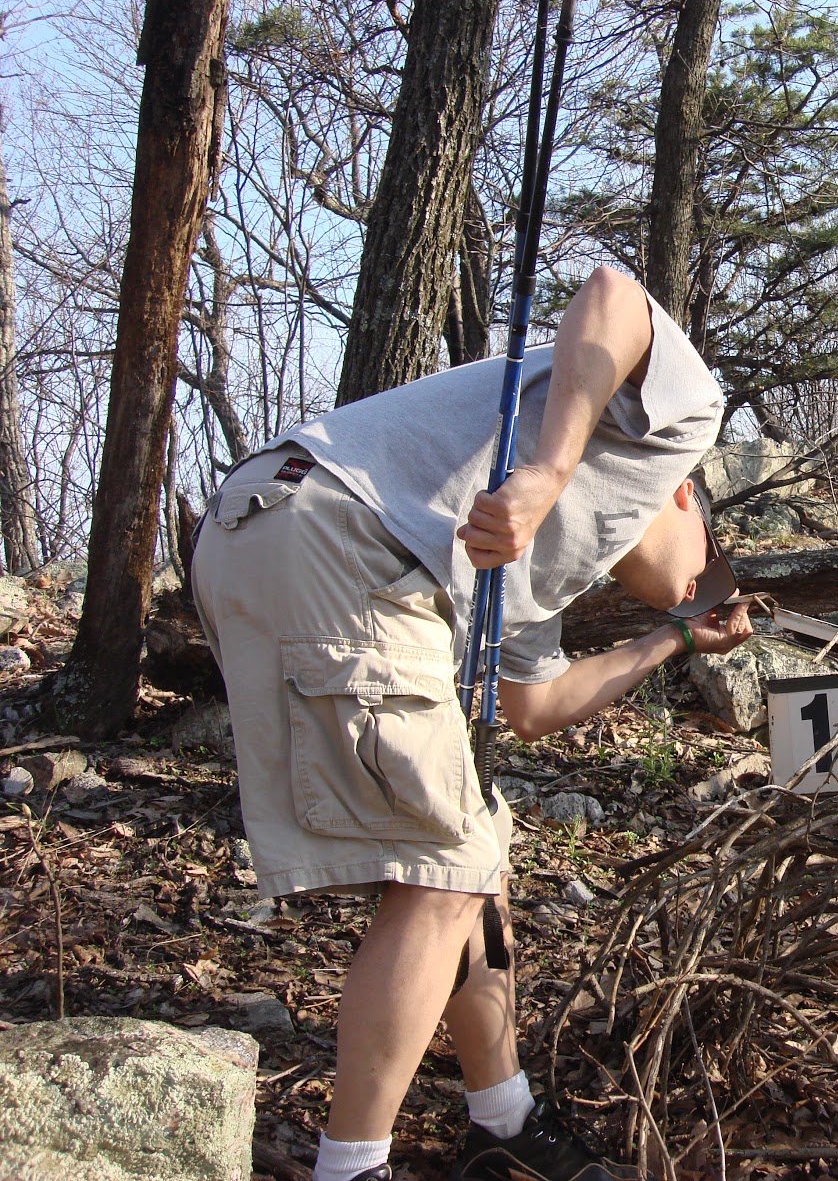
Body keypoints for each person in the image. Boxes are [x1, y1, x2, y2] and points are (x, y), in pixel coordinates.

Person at [192, 266, 753, 1181]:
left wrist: (675, 639)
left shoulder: (536, 570)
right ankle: (351, 1168)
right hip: (340, 530)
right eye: (708, 573)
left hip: (275, 530)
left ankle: (502, 1119)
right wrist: (545, 471)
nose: (703, 587)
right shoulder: (683, 423)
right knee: (443, 868)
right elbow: (612, 294)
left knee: (472, 846)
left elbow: (534, 709)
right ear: (685, 497)